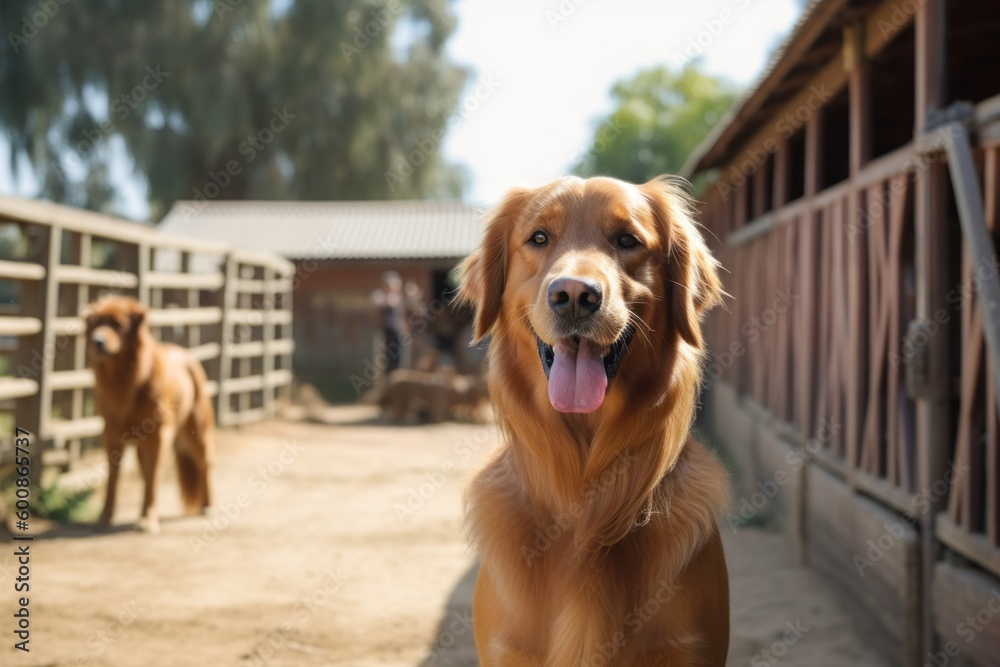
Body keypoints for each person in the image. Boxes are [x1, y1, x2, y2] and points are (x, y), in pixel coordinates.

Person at [371, 271, 406, 375]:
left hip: (398, 332)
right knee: (383, 358)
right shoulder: (379, 296)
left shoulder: (399, 298)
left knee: (398, 357)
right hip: (383, 332)